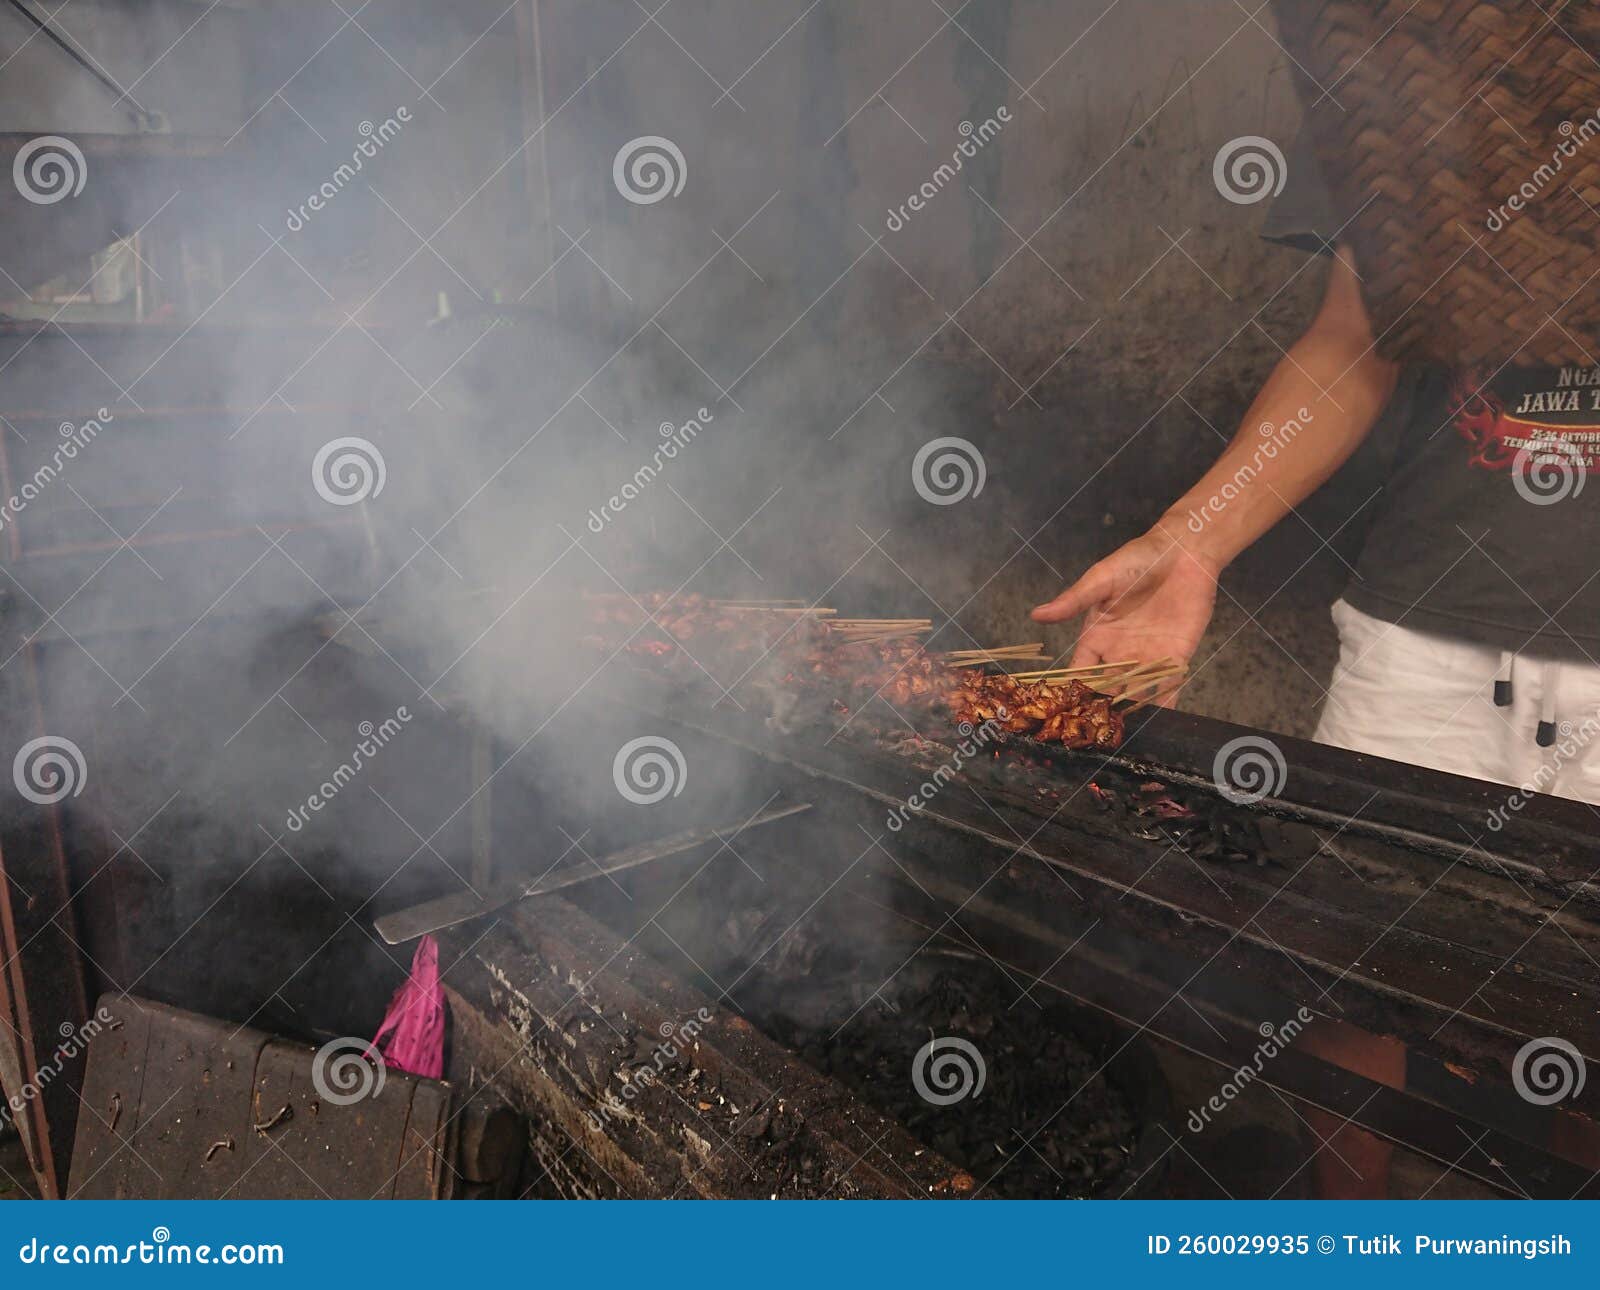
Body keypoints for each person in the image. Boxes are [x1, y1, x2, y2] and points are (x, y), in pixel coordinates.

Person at [1029, 130, 1600, 1197]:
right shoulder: (1440, 75)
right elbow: (1352, 341)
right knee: (1346, 986)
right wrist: (1192, 536)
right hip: (1421, 638)